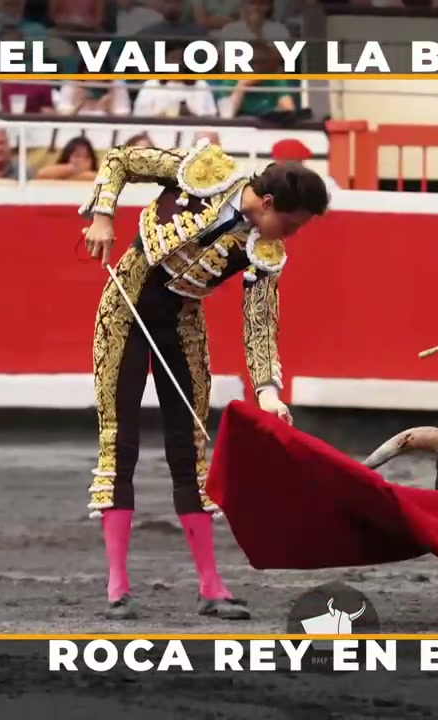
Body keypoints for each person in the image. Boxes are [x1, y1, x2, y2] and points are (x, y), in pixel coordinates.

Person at [79, 138, 329, 621]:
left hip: (182, 326)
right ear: (270, 202)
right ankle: (117, 586)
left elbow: (260, 322)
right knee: (119, 441)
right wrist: (103, 214)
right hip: (123, 315)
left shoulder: (265, 248)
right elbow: (123, 159)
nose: (292, 235)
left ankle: (212, 587)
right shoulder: (205, 170)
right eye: (293, 224)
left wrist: (269, 391)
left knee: (190, 449)